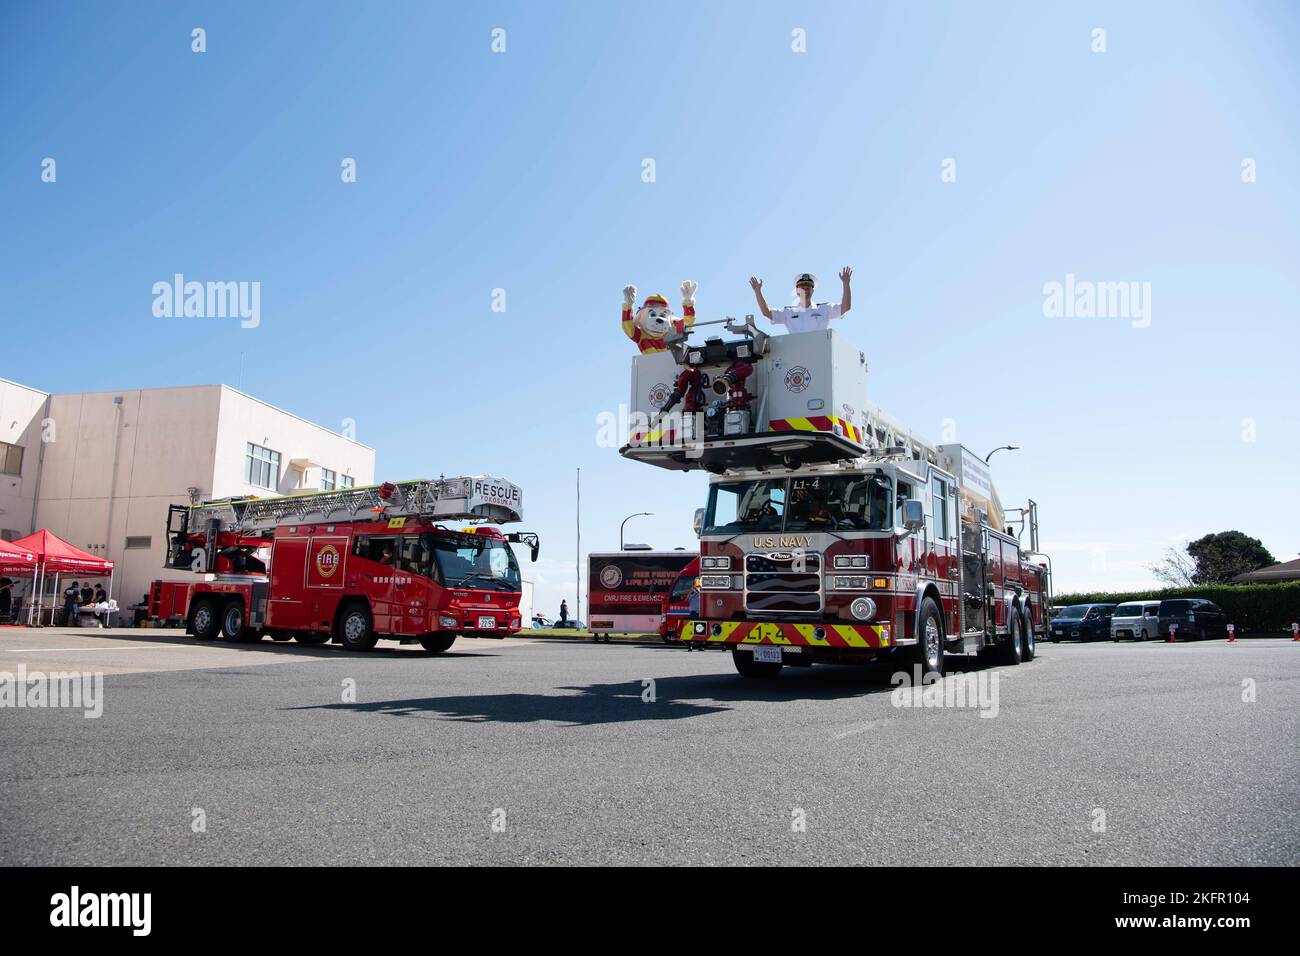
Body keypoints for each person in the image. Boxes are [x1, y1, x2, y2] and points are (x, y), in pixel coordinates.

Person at [749, 267, 852, 333]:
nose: (805, 291)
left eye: (808, 288)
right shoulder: (788, 312)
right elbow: (766, 313)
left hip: (820, 353)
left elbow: (846, 307)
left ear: (812, 291)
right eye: (802, 288)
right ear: (797, 291)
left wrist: (846, 283)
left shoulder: (824, 309)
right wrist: (757, 291)